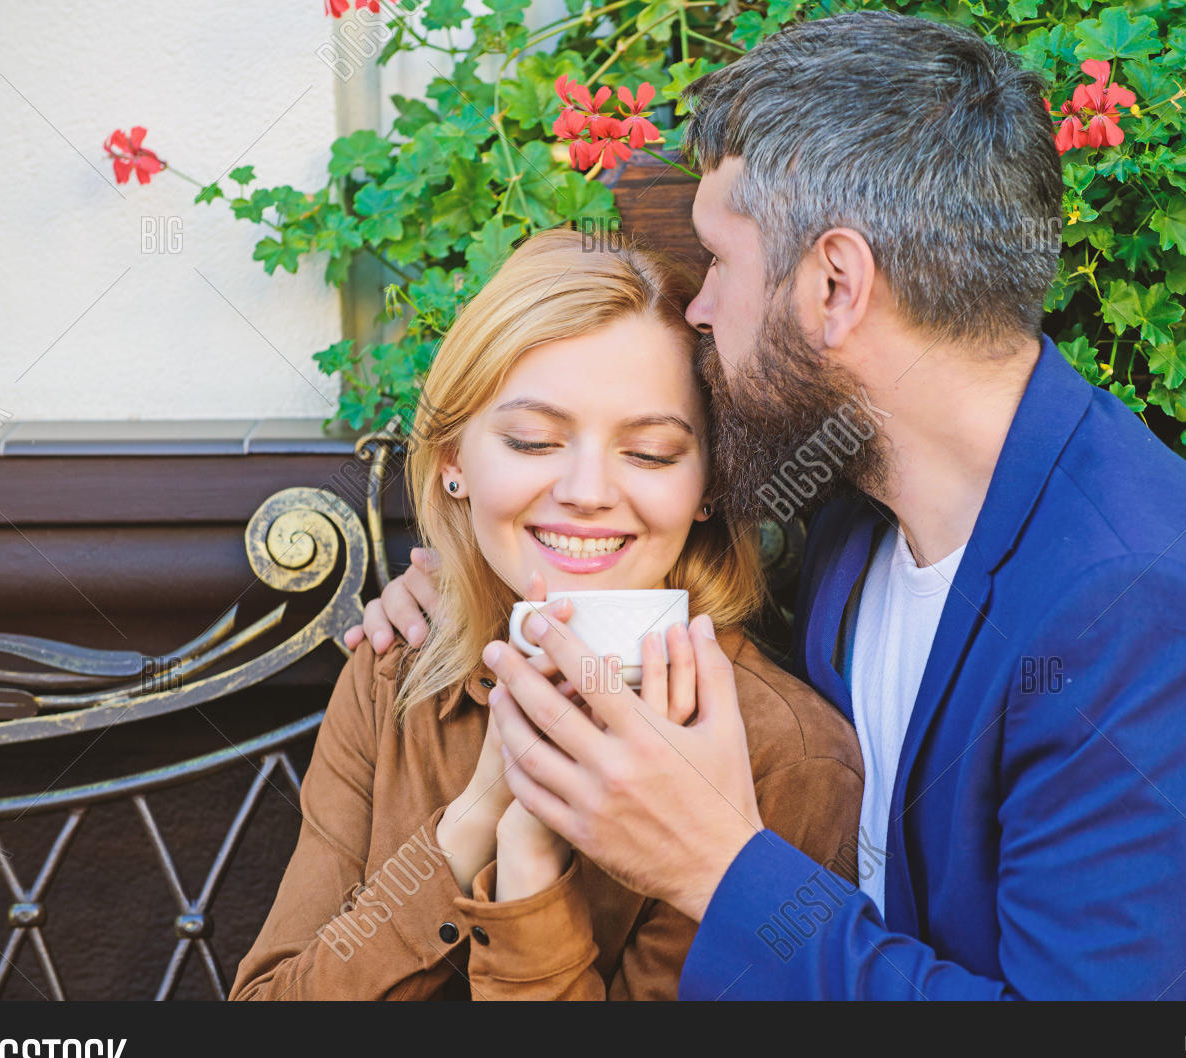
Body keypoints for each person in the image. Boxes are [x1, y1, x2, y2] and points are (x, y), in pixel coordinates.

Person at [350, 13, 1186, 999]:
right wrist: (463, 571)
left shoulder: (1144, 614)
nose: (705, 311)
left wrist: (716, 865)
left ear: (834, 286)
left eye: (720, 261)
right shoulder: (859, 515)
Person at [233, 229, 864, 1000]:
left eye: (652, 452)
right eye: (534, 441)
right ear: (456, 461)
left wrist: (529, 868)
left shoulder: (784, 754)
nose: (587, 490)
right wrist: (470, 823)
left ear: (708, 486)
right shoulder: (395, 671)